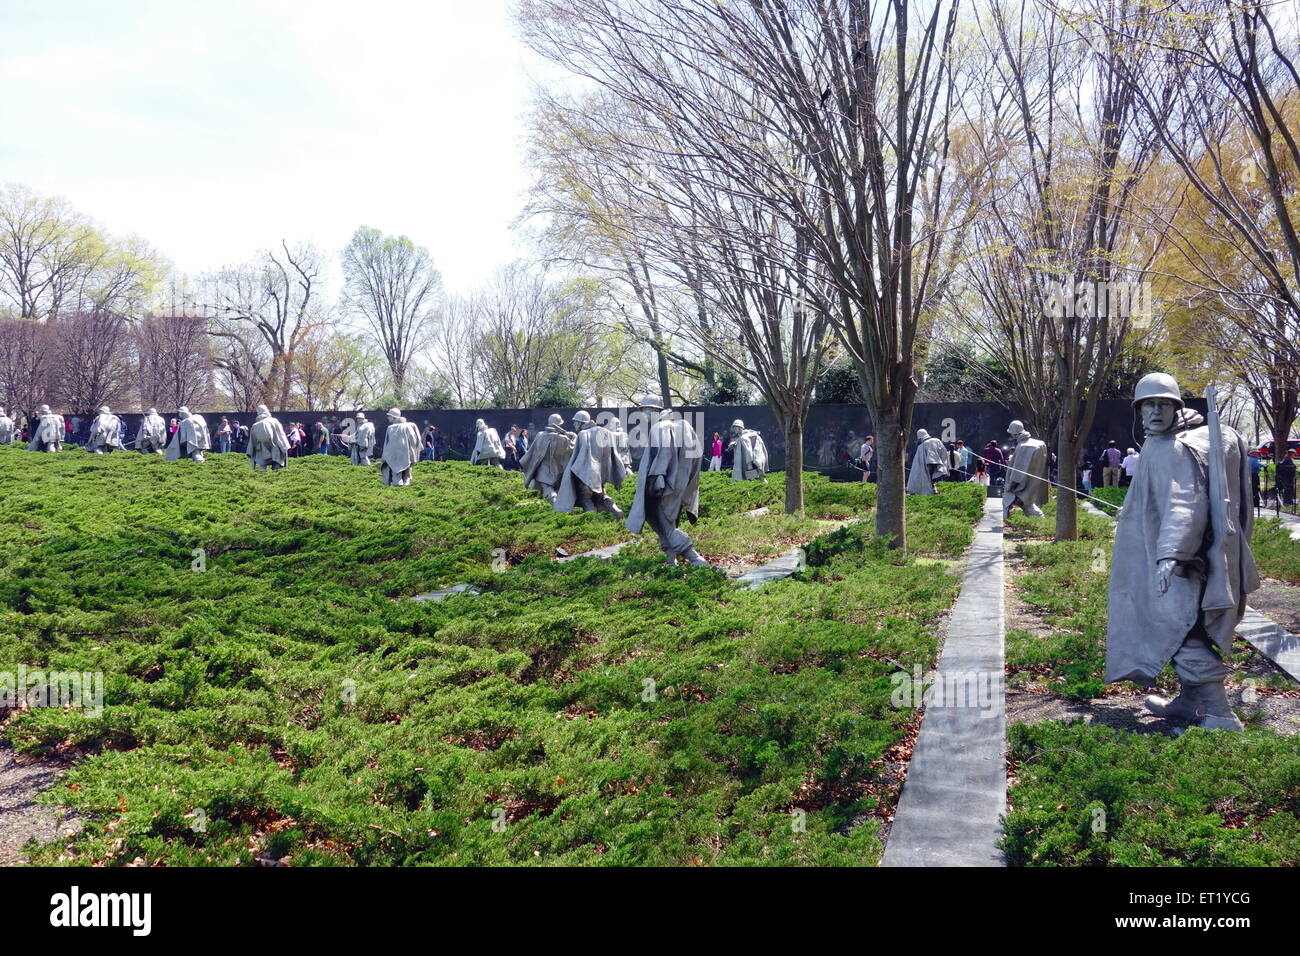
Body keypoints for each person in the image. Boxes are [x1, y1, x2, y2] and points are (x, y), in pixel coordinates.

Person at [1107, 372, 1259, 732]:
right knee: (1181, 628)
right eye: (1149, 404)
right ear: (1139, 411)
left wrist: (1171, 554)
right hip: (1159, 557)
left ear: (1177, 407)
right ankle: (1190, 700)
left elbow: (1184, 504)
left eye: (1164, 404)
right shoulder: (1157, 444)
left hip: (1177, 564)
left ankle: (1221, 715)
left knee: (1176, 629)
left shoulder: (1174, 447)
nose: (1156, 411)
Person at [625, 397, 708, 566]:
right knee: (664, 523)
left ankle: (695, 558)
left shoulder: (659, 427)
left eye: (645, 411)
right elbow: (697, 456)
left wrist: (659, 477)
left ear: (654, 410)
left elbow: (663, 455)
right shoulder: (685, 426)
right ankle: (671, 561)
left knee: (666, 525)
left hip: (660, 485)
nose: (644, 415)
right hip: (679, 485)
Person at [554, 410, 627, 517]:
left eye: (576, 422)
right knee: (602, 496)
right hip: (601, 477)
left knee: (586, 500)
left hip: (586, 476)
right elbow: (613, 454)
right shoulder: (605, 432)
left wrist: (573, 439)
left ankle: (592, 521)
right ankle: (615, 509)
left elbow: (577, 454)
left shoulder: (582, 434)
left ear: (581, 422)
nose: (574, 424)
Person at [520, 413, 575, 504]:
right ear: (559, 424)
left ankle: (555, 506)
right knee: (552, 489)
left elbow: (532, 453)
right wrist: (573, 437)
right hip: (559, 471)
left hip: (543, 471)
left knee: (547, 488)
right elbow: (572, 450)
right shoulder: (564, 439)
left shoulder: (540, 435)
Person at [1002, 420, 1049, 519]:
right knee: (1028, 502)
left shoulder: (1023, 446)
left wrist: (1010, 486)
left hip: (1022, 486)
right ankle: (1039, 521)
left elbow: (1017, 473)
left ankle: (1009, 520)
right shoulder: (1040, 444)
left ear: (1014, 434)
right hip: (1033, 483)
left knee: (1010, 500)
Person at [380, 408, 421, 486]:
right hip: (405, 454)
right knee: (406, 471)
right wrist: (412, 453)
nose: (388, 418)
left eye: (389, 416)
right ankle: (405, 483)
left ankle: (399, 485)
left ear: (393, 417)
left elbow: (386, 444)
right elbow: (413, 440)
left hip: (394, 455)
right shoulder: (406, 426)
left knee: (397, 473)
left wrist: (385, 456)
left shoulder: (391, 428)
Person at [247, 405, 290, 471]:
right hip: (275, 448)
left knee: (262, 466)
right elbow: (281, 435)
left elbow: (252, 441)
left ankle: (262, 477)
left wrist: (250, 452)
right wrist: (285, 447)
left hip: (261, 450)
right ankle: (276, 477)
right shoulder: (274, 421)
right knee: (276, 466)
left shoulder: (255, 425)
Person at [906, 428, 949, 494]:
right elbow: (944, 452)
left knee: (930, 479)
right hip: (938, 464)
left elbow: (916, 465)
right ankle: (937, 490)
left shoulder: (921, 446)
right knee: (936, 479)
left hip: (928, 465)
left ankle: (933, 490)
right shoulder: (937, 440)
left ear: (920, 436)